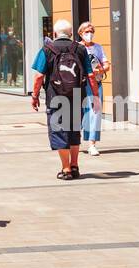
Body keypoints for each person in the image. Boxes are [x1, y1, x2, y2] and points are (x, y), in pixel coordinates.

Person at [31, 20, 97, 180]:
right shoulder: (80, 49)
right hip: (76, 94)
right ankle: (74, 166)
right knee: (74, 130)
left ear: (54, 34)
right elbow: (90, 75)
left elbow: (39, 76)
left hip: (56, 96)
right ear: (71, 34)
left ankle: (65, 169)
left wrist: (34, 95)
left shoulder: (47, 49)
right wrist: (95, 96)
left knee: (59, 131)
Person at [78, 22, 109, 156]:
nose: (89, 34)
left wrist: (100, 69)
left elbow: (106, 65)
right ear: (81, 33)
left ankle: (92, 144)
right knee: (78, 112)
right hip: (80, 83)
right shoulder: (77, 47)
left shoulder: (98, 47)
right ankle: (74, 140)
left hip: (96, 83)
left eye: (91, 31)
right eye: (86, 31)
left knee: (95, 113)